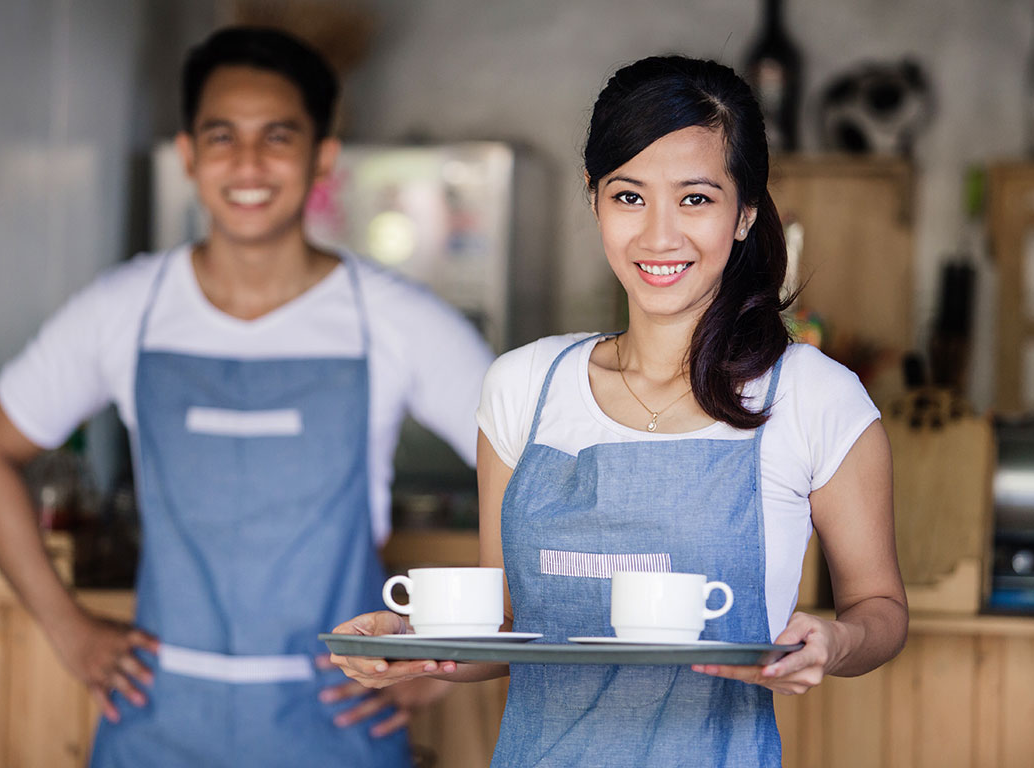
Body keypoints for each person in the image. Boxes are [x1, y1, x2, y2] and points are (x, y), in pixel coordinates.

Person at [330, 55, 908, 766]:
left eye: (695, 198)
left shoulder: (813, 397)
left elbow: (880, 608)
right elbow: (508, 631)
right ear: (595, 199)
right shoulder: (523, 386)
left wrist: (834, 642)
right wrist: (416, 645)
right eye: (630, 196)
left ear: (745, 212)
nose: (659, 235)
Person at [0, 26, 493, 768]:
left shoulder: (392, 318)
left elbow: (534, 472)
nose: (247, 163)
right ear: (188, 154)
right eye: (221, 137)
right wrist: (67, 629)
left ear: (322, 158)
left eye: (277, 137)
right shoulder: (126, 309)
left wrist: (450, 660)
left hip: (336, 725)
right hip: (156, 723)